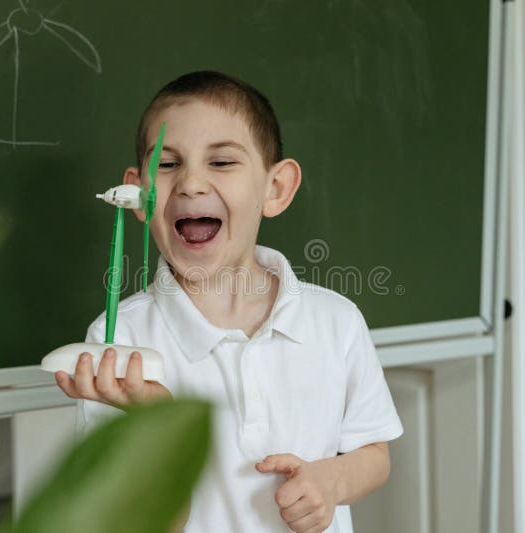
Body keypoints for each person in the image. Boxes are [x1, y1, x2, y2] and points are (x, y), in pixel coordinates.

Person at [55, 71, 403, 533]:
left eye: (221, 162)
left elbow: (374, 454)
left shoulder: (336, 321)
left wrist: (332, 481)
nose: (191, 184)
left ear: (275, 189)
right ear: (138, 194)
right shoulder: (119, 341)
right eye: (168, 163)